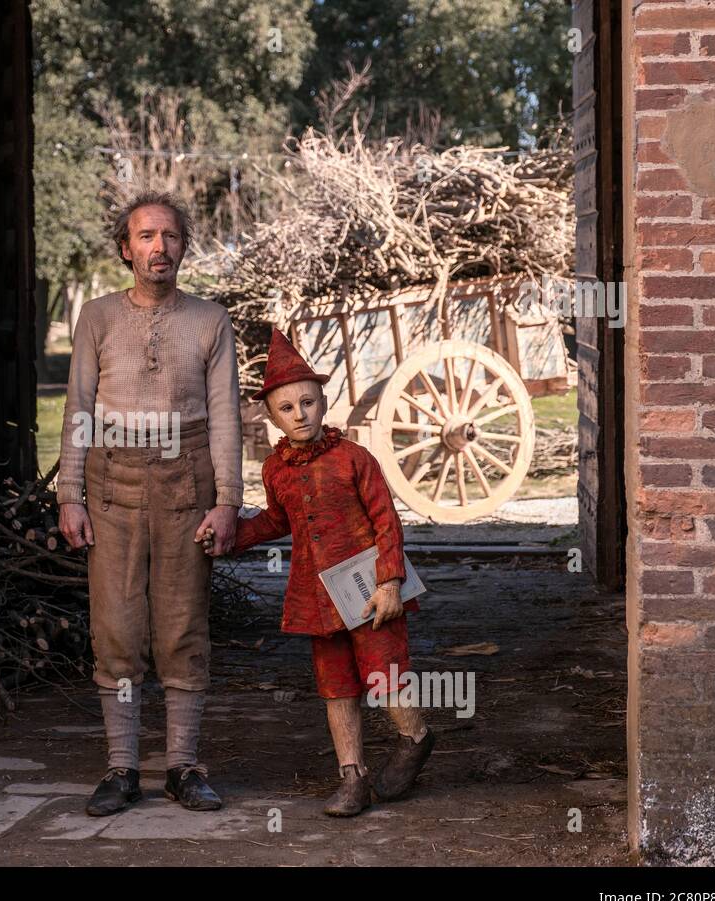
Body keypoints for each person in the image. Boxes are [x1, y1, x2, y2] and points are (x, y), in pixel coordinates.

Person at [57, 191, 243, 816]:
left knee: (183, 626)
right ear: (125, 248)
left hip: (186, 484)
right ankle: (121, 769)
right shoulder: (97, 317)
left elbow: (225, 418)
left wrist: (228, 502)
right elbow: (79, 408)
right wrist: (70, 494)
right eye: (145, 236)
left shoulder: (211, 320)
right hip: (112, 485)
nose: (159, 247)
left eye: (170, 236)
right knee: (116, 628)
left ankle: (184, 767)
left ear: (184, 246)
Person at [213, 328, 434, 817]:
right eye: (286, 408)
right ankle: (352, 779)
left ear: (324, 402)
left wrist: (390, 580)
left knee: (385, 677)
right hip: (318, 598)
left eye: (308, 403)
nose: (300, 414)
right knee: (335, 684)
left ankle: (414, 736)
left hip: (371, 590)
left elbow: (386, 521)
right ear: (271, 416)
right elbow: (276, 519)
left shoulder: (354, 459)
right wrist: (232, 535)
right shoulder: (275, 470)